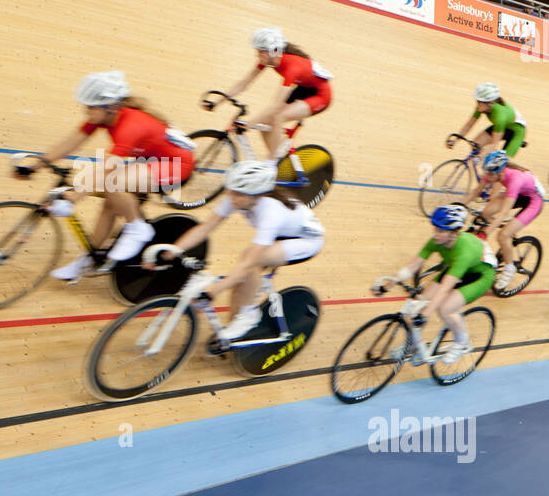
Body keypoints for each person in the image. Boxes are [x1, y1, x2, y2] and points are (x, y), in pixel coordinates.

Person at [28, 71, 194, 281]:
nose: (85, 111)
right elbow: (72, 141)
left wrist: (74, 197)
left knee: (112, 182)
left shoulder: (130, 125)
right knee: (109, 204)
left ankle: (138, 228)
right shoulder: (104, 117)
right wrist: (39, 164)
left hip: (177, 166)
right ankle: (88, 258)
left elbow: (106, 169)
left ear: (110, 106)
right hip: (151, 161)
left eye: (90, 107)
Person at [147, 161, 323, 342]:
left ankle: (249, 315)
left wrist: (211, 293)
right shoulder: (237, 196)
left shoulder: (270, 211)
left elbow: (249, 262)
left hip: (306, 241)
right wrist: (171, 252)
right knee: (240, 285)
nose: (232, 198)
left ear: (258, 195)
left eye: (238, 194)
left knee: (250, 261)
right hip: (282, 233)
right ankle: (234, 332)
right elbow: (205, 228)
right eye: (231, 191)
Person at [372, 204, 494, 365]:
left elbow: (444, 289)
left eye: (441, 231)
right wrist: (388, 285)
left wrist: (425, 315)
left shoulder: (464, 252)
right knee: (417, 304)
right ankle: (413, 345)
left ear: (454, 233)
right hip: (457, 268)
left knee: (445, 309)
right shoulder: (437, 240)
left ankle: (461, 342)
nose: (436, 234)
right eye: (435, 229)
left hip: (481, 275)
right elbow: (412, 266)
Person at [214, 27, 332, 161]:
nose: (257, 56)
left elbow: (276, 105)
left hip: (321, 95)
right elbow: (244, 83)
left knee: (279, 116)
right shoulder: (269, 60)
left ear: (273, 51)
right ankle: (277, 161)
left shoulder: (292, 67)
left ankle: (270, 164)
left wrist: (249, 124)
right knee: (265, 123)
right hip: (303, 88)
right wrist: (218, 101)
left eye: (260, 52)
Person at [474, 150, 545, 291]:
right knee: (485, 213)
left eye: (490, 174)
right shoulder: (494, 172)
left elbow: (504, 212)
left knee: (503, 235)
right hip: (520, 193)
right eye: (486, 172)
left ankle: (509, 268)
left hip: (533, 201)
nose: (486, 176)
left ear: (499, 172)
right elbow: (474, 192)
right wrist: (458, 206)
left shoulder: (515, 179)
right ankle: (494, 245)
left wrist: (486, 233)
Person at [452, 82, 527, 159]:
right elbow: (469, 124)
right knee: (476, 145)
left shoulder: (500, 116)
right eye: (477, 101)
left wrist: (479, 157)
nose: (477, 105)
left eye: (480, 102)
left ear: (490, 103)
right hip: (503, 127)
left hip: (516, 133)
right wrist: (456, 140)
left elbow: (494, 145)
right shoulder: (482, 107)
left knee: (502, 162)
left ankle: (522, 171)